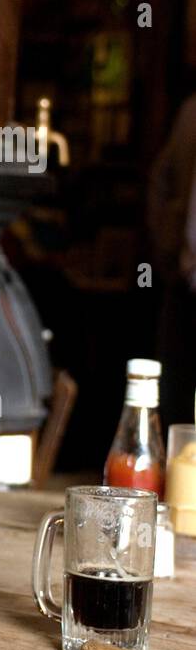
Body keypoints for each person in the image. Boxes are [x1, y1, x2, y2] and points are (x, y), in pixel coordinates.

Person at [147, 92, 196, 431]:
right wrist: (168, 244)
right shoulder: (191, 111)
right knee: (174, 402)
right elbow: (161, 181)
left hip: (182, 275)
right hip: (184, 280)